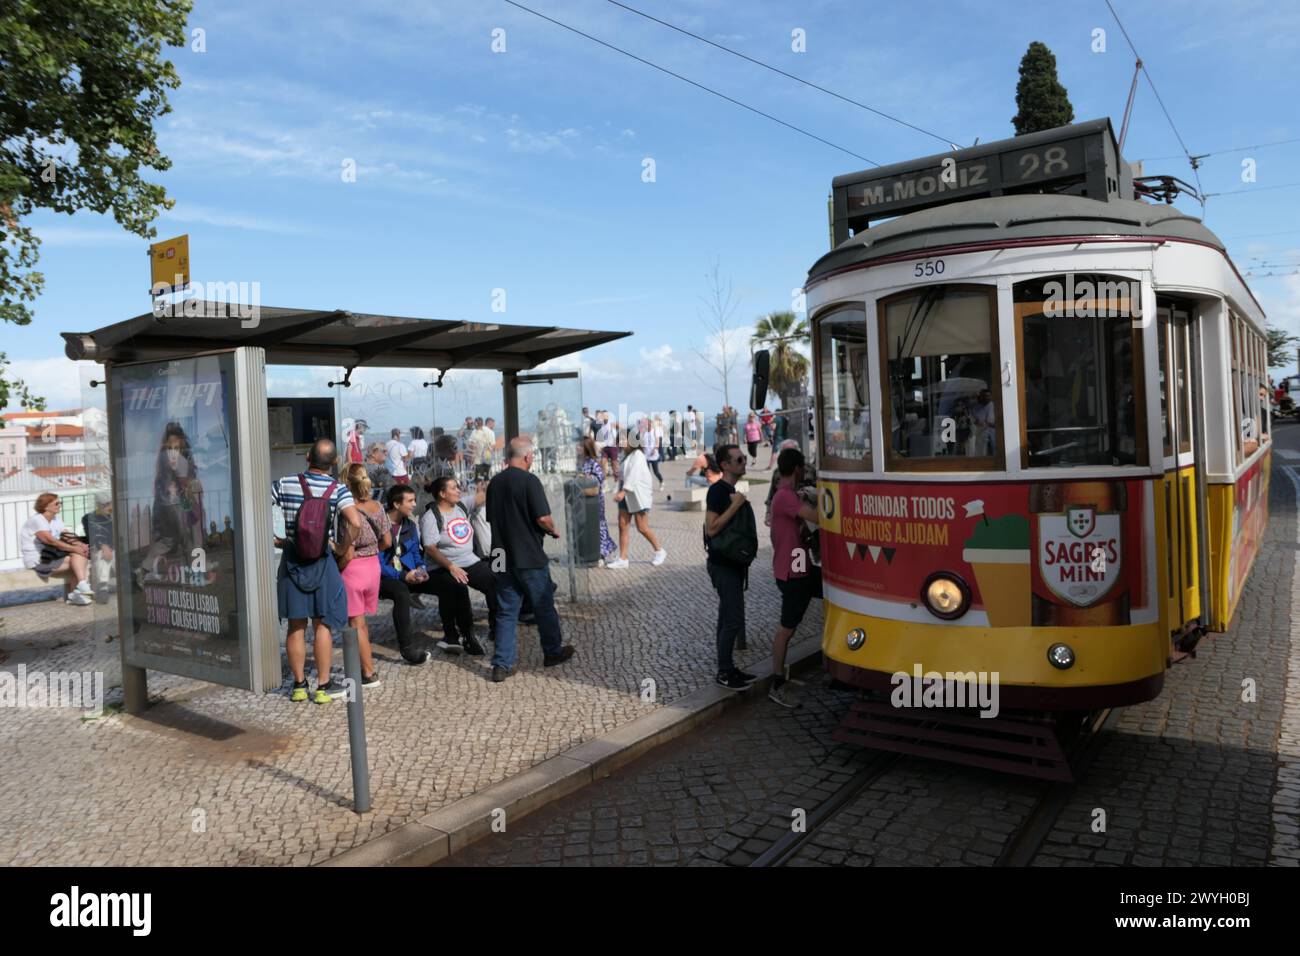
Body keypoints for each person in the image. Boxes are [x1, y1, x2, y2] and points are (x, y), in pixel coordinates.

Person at [272, 439, 360, 704]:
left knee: (295, 625)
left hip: (292, 559)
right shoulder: (338, 489)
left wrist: (277, 538)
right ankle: (322, 686)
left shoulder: (284, 483)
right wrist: (341, 547)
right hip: (323, 560)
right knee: (322, 623)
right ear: (334, 462)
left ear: (308, 457)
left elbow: (257, 511)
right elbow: (355, 522)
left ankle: (299, 686)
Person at [485, 437, 575, 682]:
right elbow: (543, 517)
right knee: (543, 605)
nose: (533, 458)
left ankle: (501, 665)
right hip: (528, 554)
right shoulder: (529, 481)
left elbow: (492, 519)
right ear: (526, 457)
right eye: (532, 455)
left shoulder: (495, 483)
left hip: (500, 554)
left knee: (505, 611)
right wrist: (552, 529)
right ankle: (552, 653)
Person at [379, 483, 462, 664]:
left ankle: (452, 637)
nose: (414, 505)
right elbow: (377, 563)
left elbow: (417, 553)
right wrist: (402, 576)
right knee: (401, 592)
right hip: (385, 578)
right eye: (410, 501)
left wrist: (421, 569)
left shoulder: (409, 525)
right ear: (396, 504)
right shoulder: (380, 524)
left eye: (414, 500)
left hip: (409, 574)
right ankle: (408, 649)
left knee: (447, 582)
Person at [767, 447, 822, 708]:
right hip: (792, 574)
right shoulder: (785, 497)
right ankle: (777, 683)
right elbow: (820, 517)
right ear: (798, 469)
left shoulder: (787, 496)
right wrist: (822, 499)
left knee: (837, 593)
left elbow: (798, 530)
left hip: (800, 569)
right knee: (786, 631)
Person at [705, 445, 758, 690]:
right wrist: (736, 505)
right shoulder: (718, 491)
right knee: (734, 619)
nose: (743, 462)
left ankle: (726, 667)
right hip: (722, 564)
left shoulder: (729, 490)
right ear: (725, 465)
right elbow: (712, 528)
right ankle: (724, 672)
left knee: (726, 615)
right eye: (738, 459)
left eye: (744, 458)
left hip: (732, 563)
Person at [421, 475, 492, 655]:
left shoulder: (460, 506)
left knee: (495, 581)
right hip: (442, 566)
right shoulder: (431, 517)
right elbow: (430, 548)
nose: (458, 490)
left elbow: (484, 495)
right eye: (453, 488)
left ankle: (498, 626)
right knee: (457, 587)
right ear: (442, 494)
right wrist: (451, 566)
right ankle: (464, 635)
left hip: (469, 560)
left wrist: (498, 479)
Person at [339, 463, 391, 688]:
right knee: (363, 623)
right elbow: (387, 541)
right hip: (373, 568)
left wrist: (337, 562)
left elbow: (348, 551)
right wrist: (371, 552)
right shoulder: (378, 506)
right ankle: (365, 664)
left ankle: (368, 673)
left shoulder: (346, 511)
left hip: (354, 569)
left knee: (356, 622)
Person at [606, 432, 667, 569]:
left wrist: (623, 491)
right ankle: (623, 558)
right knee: (623, 525)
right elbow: (625, 474)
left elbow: (634, 476)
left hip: (637, 495)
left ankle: (659, 551)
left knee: (642, 527)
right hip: (626, 494)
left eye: (624, 440)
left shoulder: (638, 455)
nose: (622, 443)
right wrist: (618, 476)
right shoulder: (626, 456)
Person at [20, 492, 92, 604]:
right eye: (57, 503)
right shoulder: (37, 520)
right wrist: (75, 549)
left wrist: (80, 545)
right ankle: (78, 589)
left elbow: (67, 536)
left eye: (60, 503)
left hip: (52, 557)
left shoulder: (56, 520)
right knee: (77, 557)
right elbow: (50, 541)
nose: (60, 505)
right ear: (45, 506)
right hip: (38, 560)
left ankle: (78, 591)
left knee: (79, 557)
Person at [577, 436, 617, 561]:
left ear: (586, 448)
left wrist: (587, 478)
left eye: (580, 446)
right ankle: (596, 550)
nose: (577, 447)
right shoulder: (582, 461)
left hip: (595, 500)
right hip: (586, 499)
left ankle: (603, 552)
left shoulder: (593, 463)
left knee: (599, 524)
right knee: (592, 525)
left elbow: (600, 478)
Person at [82, 492, 115, 600]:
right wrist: (103, 545)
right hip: (100, 549)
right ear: (98, 504)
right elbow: (94, 536)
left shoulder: (115, 516)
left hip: (115, 548)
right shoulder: (88, 518)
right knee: (102, 555)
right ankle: (103, 587)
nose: (108, 506)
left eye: (109, 503)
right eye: (104, 504)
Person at [644, 417, 664, 488]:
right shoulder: (644, 432)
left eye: (648, 424)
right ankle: (648, 486)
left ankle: (661, 481)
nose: (646, 426)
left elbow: (657, 443)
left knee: (656, 472)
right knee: (647, 472)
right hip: (646, 455)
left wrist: (654, 449)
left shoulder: (654, 431)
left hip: (653, 455)